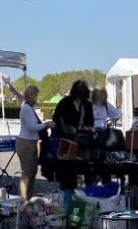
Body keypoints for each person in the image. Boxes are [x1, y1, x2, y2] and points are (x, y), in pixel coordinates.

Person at [51, 80, 94, 210]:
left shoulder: (87, 105)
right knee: (67, 174)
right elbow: (57, 122)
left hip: (83, 145)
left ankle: (86, 201)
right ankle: (67, 205)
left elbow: (90, 122)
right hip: (65, 145)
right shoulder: (64, 103)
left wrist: (88, 129)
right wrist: (72, 131)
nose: (80, 98)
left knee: (87, 171)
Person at [17, 85, 53, 201]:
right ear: (31, 95)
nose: (37, 98)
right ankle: (22, 201)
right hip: (26, 143)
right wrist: (46, 124)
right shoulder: (26, 108)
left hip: (31, 143)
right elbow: (31, 127)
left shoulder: (29, 108)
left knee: (32, 173)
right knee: (27, 174)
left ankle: (28, 199)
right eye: (36, 96)